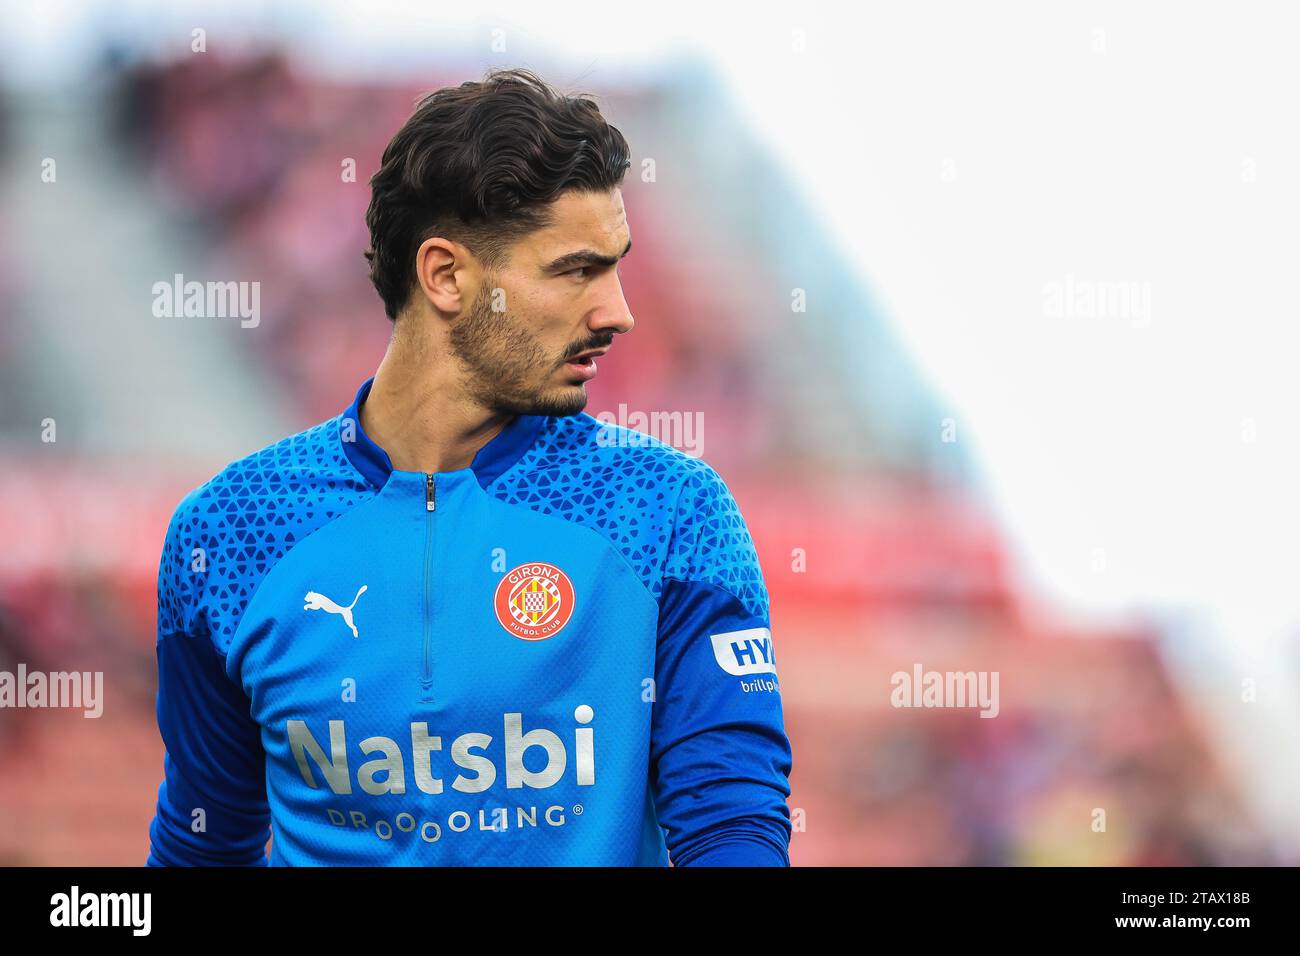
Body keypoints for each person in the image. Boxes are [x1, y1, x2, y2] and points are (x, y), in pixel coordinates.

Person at [146, 67, 792, 866]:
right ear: (446, 276)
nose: (618, 312)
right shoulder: (231, 530)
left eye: (618, 267)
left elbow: (732, 827)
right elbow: (202, 843)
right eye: (577, 270)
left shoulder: (669, 513)